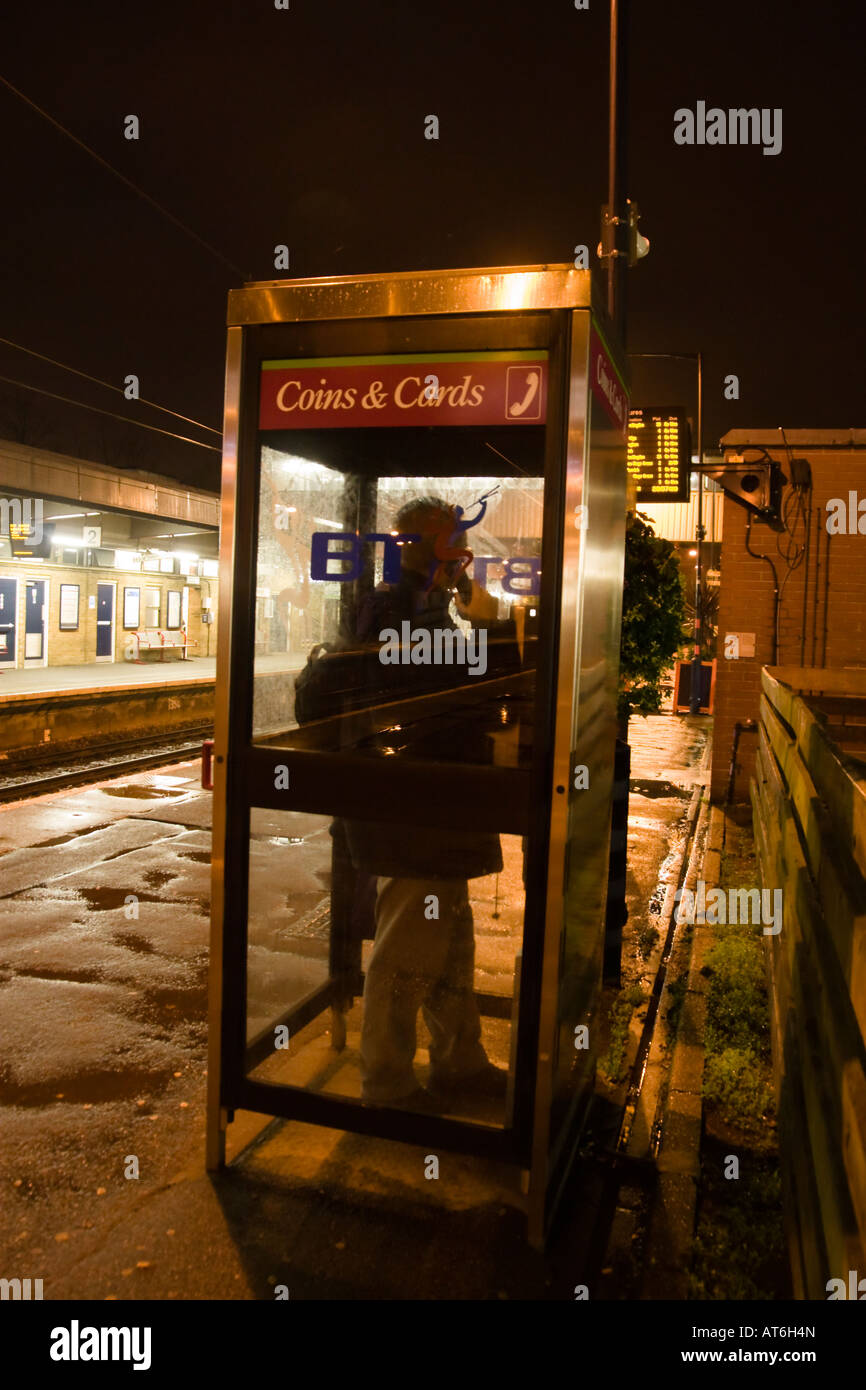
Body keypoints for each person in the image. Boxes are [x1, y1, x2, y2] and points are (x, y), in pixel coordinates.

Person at [343, 496, 518, 1111]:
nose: (461, 557)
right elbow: (460, 686)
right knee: (408, 952)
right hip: (409, 811)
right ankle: (386, 1083)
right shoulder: (391, 608)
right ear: (416, 546)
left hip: (441, 806)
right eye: (451, 545)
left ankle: (459, 1061)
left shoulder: (426, 606)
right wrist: (495, 627)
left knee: (450, 948)